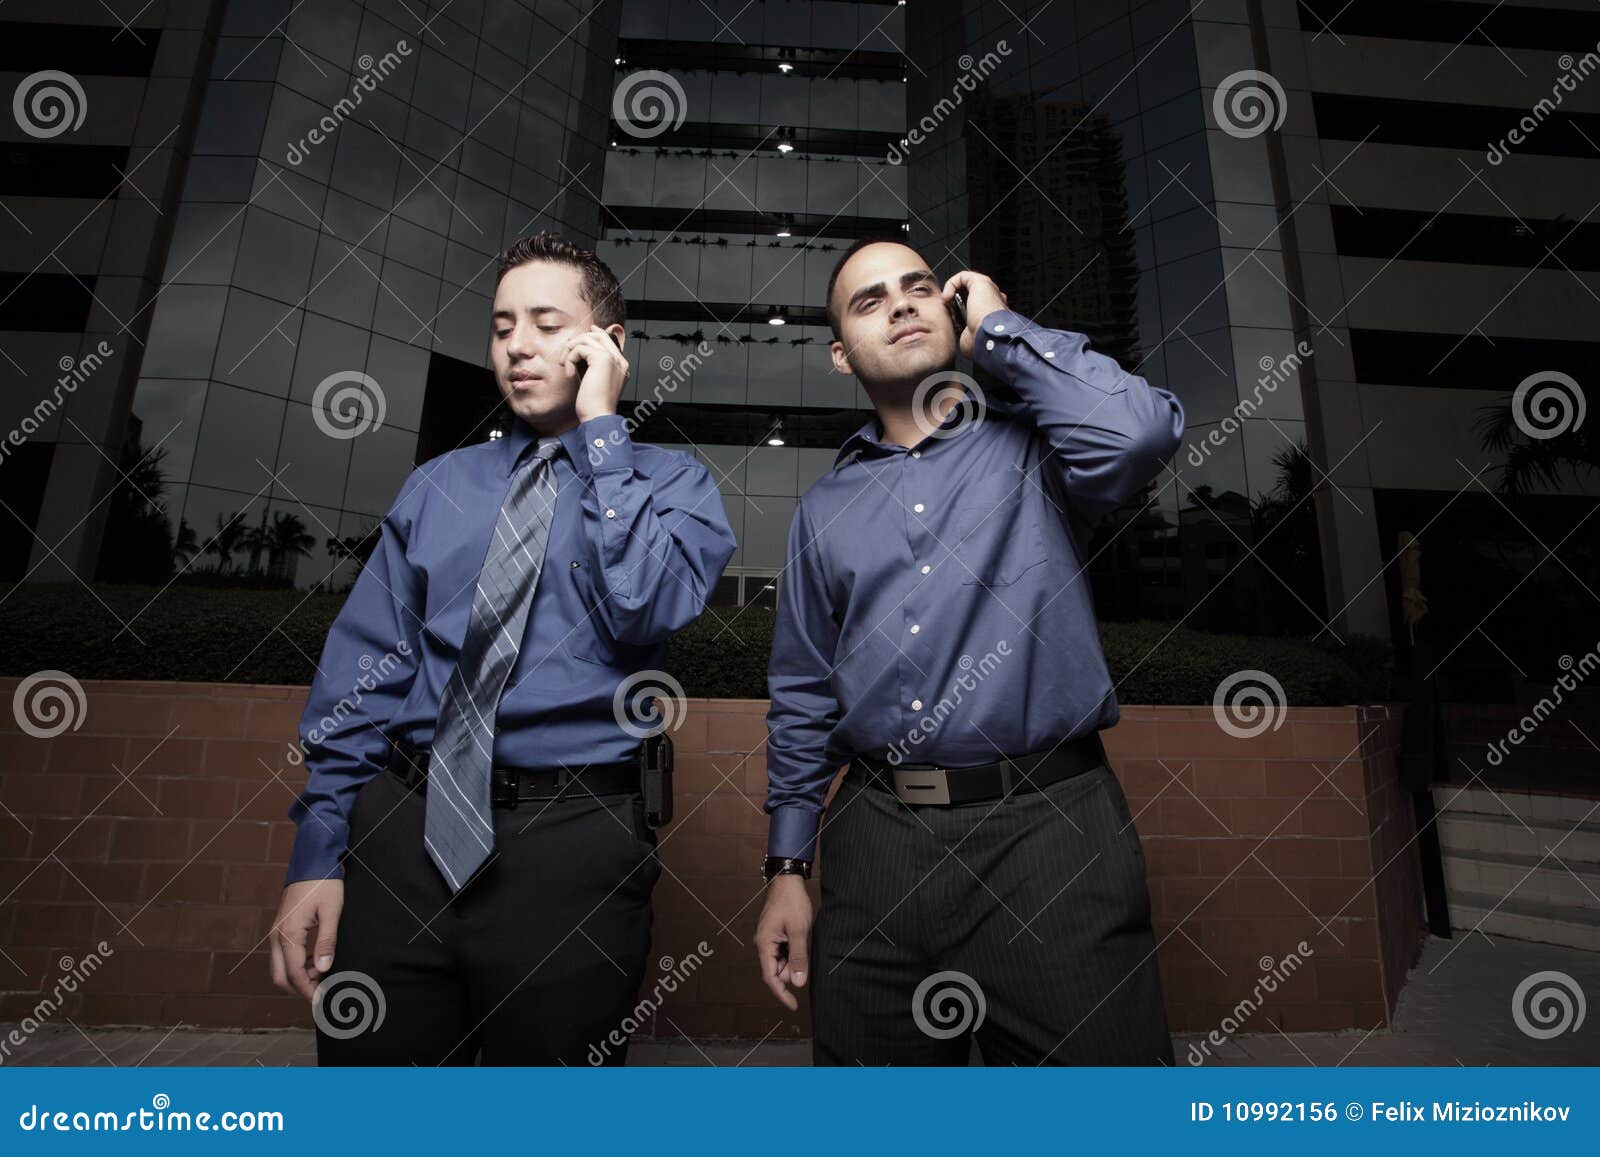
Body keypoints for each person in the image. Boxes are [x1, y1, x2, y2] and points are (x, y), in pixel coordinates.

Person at [270, 233, 736, 1065]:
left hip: (573, 844)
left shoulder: (673, 486)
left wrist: (603, 433)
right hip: (401, 836)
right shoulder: (437, 486)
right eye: (502, 325)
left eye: (546, 324)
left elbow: (646, 605)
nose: (517, 345)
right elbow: (362, 674)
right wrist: (318, 852)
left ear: (608, 344)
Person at [752, 238, 1184, 1065]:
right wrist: (787, 865)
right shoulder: (823, 510)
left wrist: (999, 328)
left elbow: (1138, 432)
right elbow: (803, 694)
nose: (901, 303)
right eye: (870, 300)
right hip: (876, 843)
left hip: (1050, 837)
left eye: (919, 287)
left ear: (951, 315)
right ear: (841, 354)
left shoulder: (1042, 451)